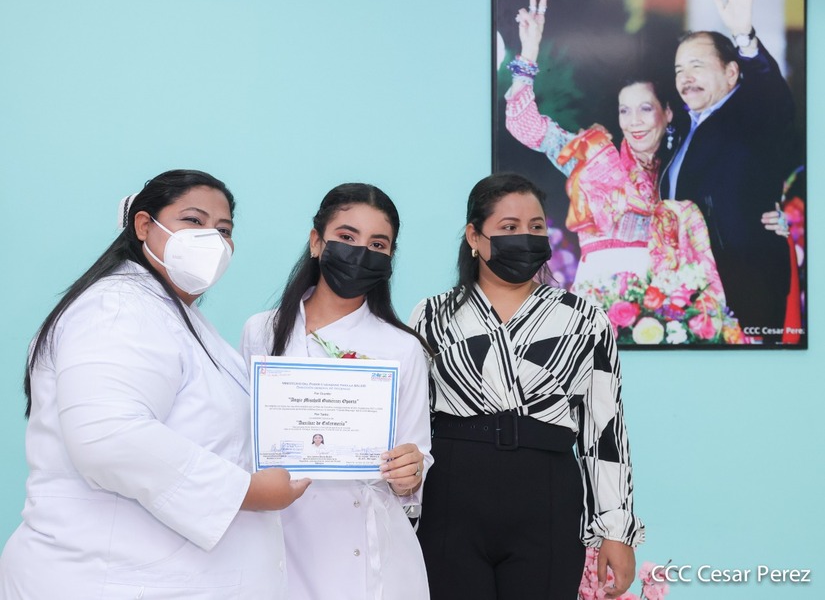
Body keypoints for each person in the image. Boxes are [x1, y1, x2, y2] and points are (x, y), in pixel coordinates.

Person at [0, 170, 311, 599]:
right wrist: (246, 491)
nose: (212, 239)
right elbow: (107, 436)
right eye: (194, 221)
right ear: (145, 225)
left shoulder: (175, 317)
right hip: (104, 578)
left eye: (224, 230)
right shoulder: (116, 307)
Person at [411, 173, 643, 600]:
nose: (526, 237)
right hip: (452, 497)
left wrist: (616, 528)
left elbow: (604, 430)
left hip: (547, 498)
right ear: (474, 237)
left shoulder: (584, 317)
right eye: (509, 227)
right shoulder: (431, 315)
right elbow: (412, 423)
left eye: (536, 227)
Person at [241, 183, 432, 599]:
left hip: (367, 547)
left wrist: (410, 472)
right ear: (316, 242)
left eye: (377, 243)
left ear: (389, 259)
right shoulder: (261, 331)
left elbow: (417, 454)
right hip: (278, 536)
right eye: (346, 237)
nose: (360, 251)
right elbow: (243, 443)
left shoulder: (403, 347)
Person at [505, 0, 725, 306]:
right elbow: (523, 125)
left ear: (668, 113)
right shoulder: (593, 155)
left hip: (664, 304)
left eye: (645, 109)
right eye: (625, 110)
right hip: (597, 298)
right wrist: (529, 53)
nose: (634, 121)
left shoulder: (684, 167)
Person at [661, 0, 795, 340]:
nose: (685, 78)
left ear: (732, 72)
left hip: (746, 280)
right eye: (678, 70)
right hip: (684, 286)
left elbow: (774, 98)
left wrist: (744, 36)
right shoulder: (679, 127)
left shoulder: (751, 116)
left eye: (697, 66)